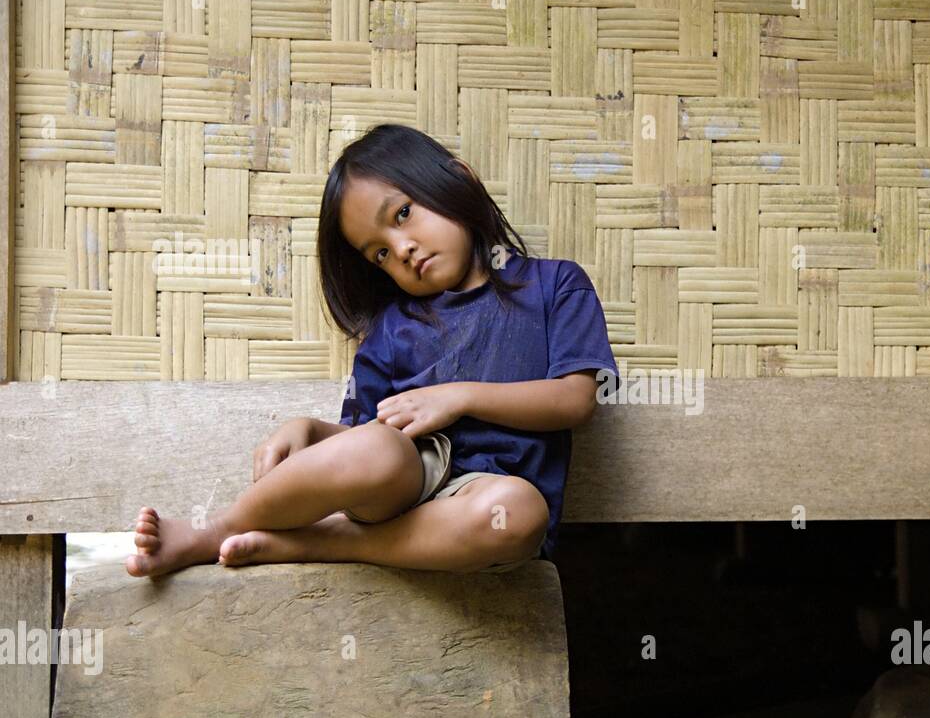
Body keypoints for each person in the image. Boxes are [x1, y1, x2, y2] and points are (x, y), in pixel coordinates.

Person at [125, 124, 619, 577]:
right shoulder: (393, 327)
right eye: (380, 252)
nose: (401, 248)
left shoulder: (555, 286)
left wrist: (458, 397)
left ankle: (323, 542)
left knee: (517, 514)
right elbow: (363, 442)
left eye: (403, 214)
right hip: (405, 488)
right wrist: (311, 430)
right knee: (379, 448)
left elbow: (577, 399)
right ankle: (212, 532)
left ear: (460, 180)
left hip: (476, 510)